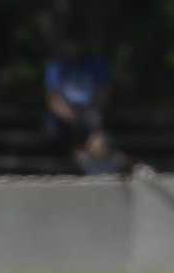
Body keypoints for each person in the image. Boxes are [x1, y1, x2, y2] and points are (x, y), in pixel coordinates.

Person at [43, 40, 122, 173]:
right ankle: (77, 158)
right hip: (66, 117)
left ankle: (98, 159)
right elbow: (54, 100)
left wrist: (90, 112)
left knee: (96, 124)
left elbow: (103, 93)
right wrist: (72, 116)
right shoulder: (56, 67)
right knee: (55, 128)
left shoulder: (97, 64)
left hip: (91, 112)